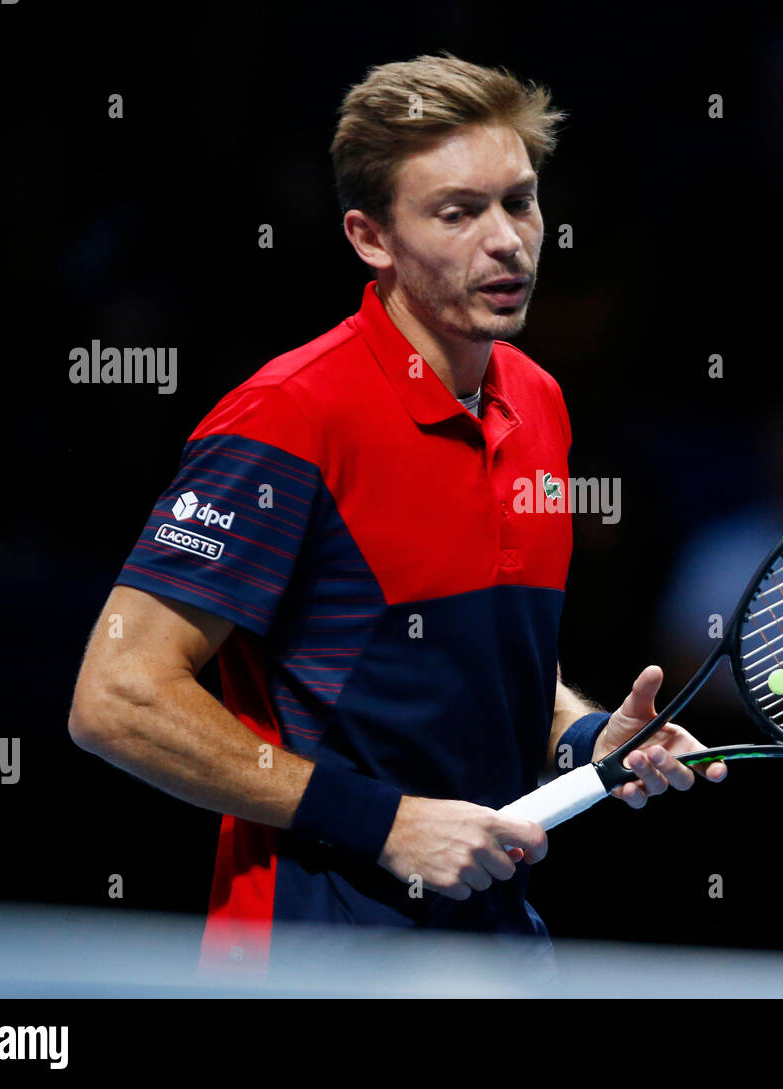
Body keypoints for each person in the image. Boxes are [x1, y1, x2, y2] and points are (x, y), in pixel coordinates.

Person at [67, 52, 726, 974]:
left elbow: (469, 668)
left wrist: (585, 737)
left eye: (520, 201)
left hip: (493, 952)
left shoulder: (538, 402)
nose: (507, 241)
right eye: (457, 212)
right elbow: (116, 697)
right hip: (308, 956)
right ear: (371, 238)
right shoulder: (288, 417)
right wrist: (384, 822)